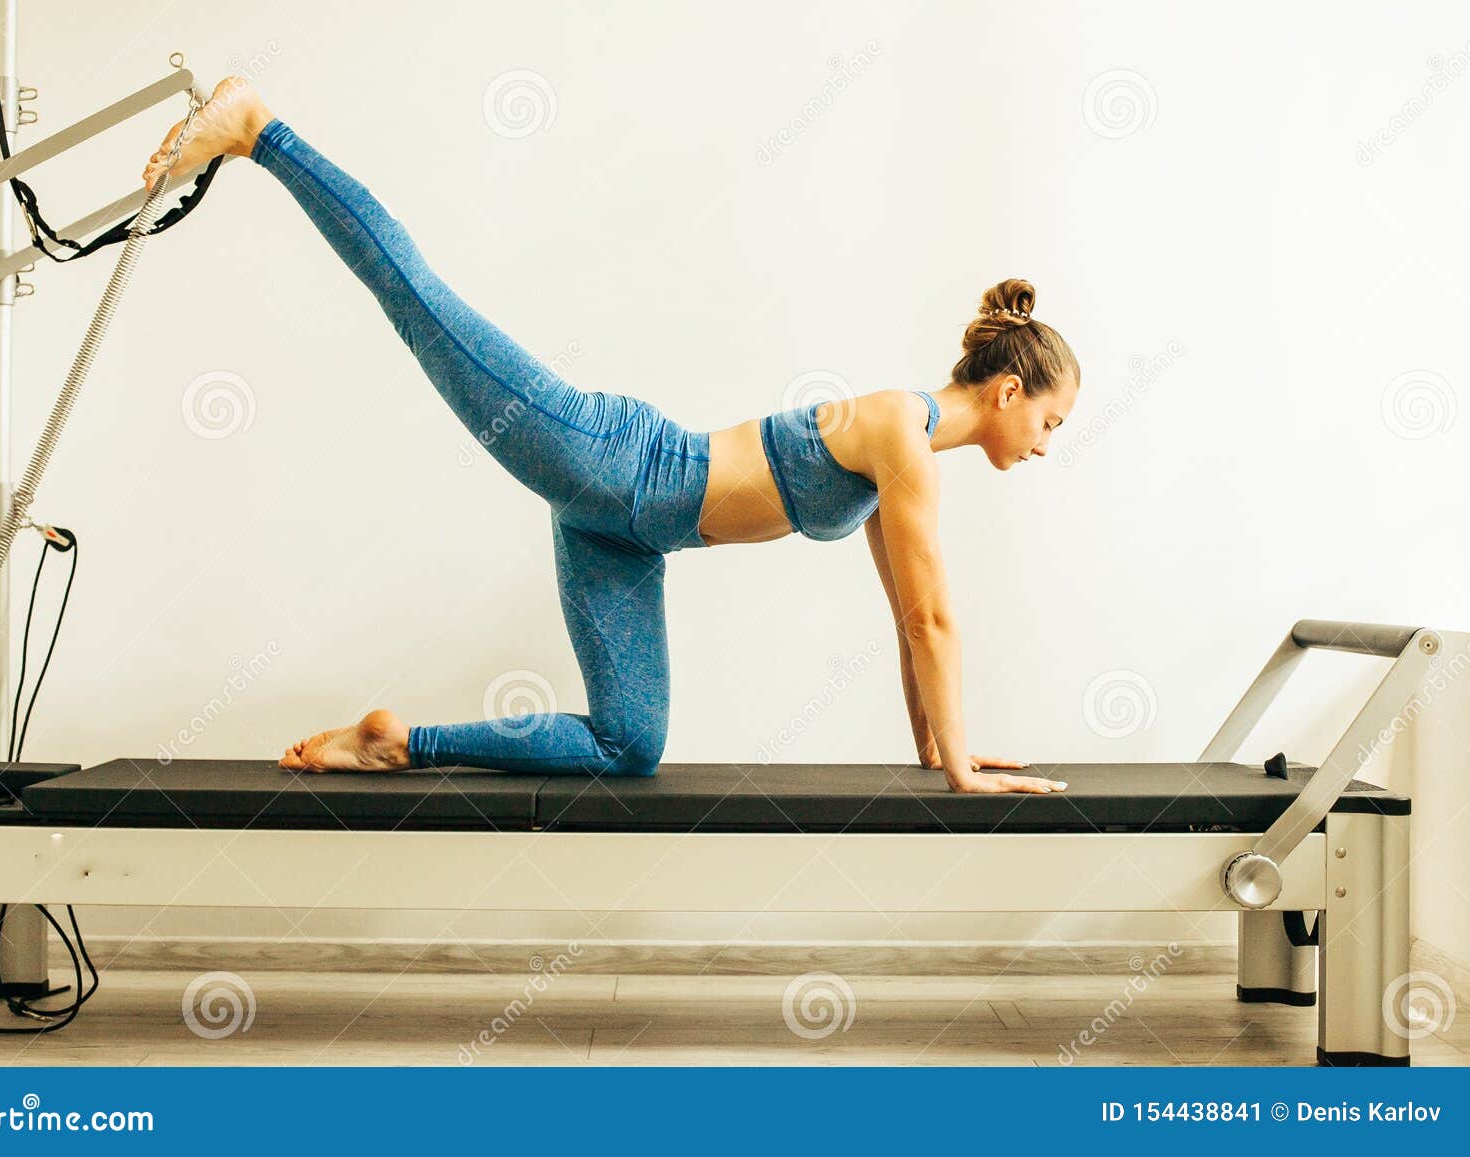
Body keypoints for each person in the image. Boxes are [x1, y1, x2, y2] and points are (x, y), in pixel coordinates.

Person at [144, 78, 1080, 794]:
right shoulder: (901, 436)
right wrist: (962, 769)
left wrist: (934, 750)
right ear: (1007, 391)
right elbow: (934, 618)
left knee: (631, 744)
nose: (1046, 446)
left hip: (626, 532)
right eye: (1049, 420)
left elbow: (906, 619)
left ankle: (397, 743)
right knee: (419, 301)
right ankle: (261, 128)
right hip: (611, 458)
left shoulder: (896, 461)